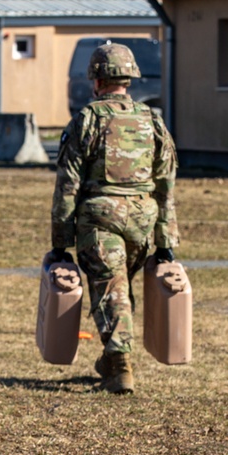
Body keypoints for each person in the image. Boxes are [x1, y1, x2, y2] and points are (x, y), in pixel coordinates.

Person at [48, 39, 179, 394]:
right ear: (129, 78)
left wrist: (60, 243)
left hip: (100, 219)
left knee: (111, 288)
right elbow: (166, 182)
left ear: (96, 80)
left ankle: (120, 364)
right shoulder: (152, 120)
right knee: (119, 288)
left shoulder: (87, 120)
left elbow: (68, 185)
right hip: (142, 220)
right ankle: (111, 358)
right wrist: (166, 240)